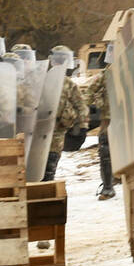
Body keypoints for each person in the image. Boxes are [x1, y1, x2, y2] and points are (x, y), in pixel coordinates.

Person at [43, 46, 88, 182]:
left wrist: (82, 126)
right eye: (58, 60)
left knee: (50, 164)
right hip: (41, 129)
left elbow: (81, 107)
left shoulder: (68, 84)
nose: (59, 63)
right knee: (40, 166)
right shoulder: (43, 80)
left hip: (57, 130)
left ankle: (46, 190)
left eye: (62, 60)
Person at [87, 59, 115, 201]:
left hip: (124, 117)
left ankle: (112, 183)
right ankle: (108, 186)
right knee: (105, 151)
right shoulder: (106, 74)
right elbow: (90, 90)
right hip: (109, 119)